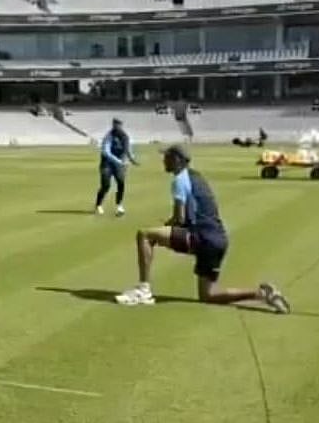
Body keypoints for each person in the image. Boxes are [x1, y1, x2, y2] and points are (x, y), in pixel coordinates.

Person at [115, 145, 290, 313]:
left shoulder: (179, 180)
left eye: (167, 157)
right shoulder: (196, 176)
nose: (164, 161)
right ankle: (260, 294)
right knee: (208, 295)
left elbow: (180, 218)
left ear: (177, 160)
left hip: (202, 237)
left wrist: (166, 227)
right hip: (218, 240)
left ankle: (144, 291)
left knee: (145, 235)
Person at [95, 118, 138, 216]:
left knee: (121, 183)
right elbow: (106, 152)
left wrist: (132, 160)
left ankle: (119, 205)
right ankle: (98, 205)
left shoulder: (125, 137)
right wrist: (118, 161)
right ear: (113, 125)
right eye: (115, 125)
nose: (117, 127)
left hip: (119, 164)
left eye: (119, 125)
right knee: (105, 185)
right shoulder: (109, 136)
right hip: (107, 164)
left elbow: (128, 150)